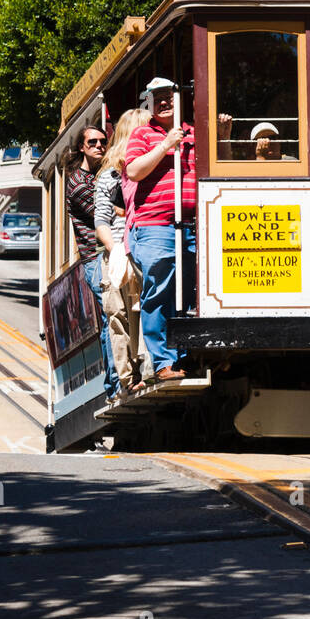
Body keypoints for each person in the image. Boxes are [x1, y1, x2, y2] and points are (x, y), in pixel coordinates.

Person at [123, 78, 230, 382]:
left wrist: (223, 138)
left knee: (194, 293)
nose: (164, 103)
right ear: (149, 103)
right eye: (157, 98)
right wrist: (166, 145)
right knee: (160, 291)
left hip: (196, 225)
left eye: (169, 97)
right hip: (156, 226)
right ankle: (163, 363)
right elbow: (134, 170)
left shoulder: (196, 134)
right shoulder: (143, 134)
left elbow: (222, 166)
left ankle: (189, 357)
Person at [95, 108, 154, 396]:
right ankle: (127, 378)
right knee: (119, 314)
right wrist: (116, 250)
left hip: (144, 244)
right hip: (120, 252)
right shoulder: (110, 176)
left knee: (144, 310)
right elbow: (101, 222)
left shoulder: (153, 167)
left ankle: (147, 368)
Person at [64, 125, 119, 401]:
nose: (99, 146)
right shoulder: (78, 183)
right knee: (112, 317)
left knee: (115, 316)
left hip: (104, 257)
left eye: (103, 141)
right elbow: (105, 214)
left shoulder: (99, 177)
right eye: (93, 142)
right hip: (95, 260)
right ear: (82, 148)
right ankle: (115, 384)